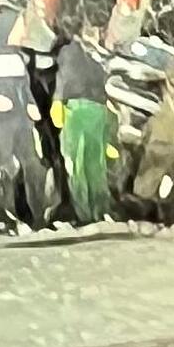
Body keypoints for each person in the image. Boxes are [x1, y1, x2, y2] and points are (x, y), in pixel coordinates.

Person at [0, 7, 60, 228]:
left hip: (21, 122)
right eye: (18, 26)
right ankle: (3, 213)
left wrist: (31, 104)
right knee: (2, 167)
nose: (22, 31)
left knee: (33, 165)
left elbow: (23, 86)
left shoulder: (16, 55)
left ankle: (38, 215)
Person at [53, 30, 117, 225]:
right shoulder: (91, 53)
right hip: (87, 108)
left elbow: (62, 79)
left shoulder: (75, 52)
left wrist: (58, 100)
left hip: (85, 110)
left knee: (83, 165)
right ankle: (94, 212)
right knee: (89, 164)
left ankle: (91, 213)